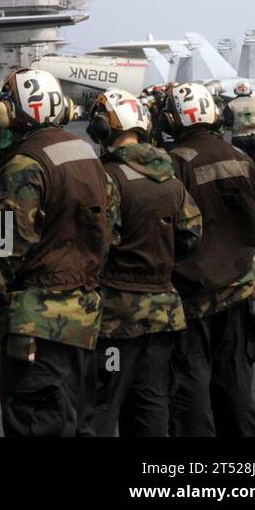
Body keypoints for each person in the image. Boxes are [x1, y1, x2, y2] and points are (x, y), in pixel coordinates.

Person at [0, 68, 118, 437]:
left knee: (36, 424)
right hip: (86, 320)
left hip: (37, 328)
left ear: (11, 113)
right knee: (80, 425)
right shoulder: (88, 155)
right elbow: (113, 226)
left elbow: (1, 251)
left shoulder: (23, 165)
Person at [86, 89, 202, 437]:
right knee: (151, 405)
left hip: (115, 318)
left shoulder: (106, 177)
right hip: (163, 314)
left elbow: (97, 241)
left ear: (104, 127)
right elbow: (191, 234)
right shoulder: (168, 176)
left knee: (104, 404)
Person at [163, 82, 255, 437]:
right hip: (237, 292)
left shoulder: (174, 163)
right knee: (236, 387)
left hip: (192, 299)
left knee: (190, 394)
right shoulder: (241, 158)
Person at [224, 81, 255, 190]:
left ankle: (245, 189)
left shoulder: (231, 105)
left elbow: (227, 122)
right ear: (249, 90)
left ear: (236, 91)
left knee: (241, 164)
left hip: (238, 138)